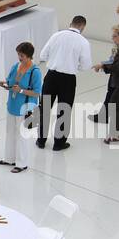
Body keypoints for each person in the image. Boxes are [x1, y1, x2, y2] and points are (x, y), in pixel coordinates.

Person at [37, 15, 92, 152]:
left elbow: (42, 56)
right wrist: (74, 65)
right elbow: (86, 65)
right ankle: (59, 143)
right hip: (68, 79)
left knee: (45, 108)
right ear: (83, 27)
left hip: (51, 76)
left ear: (70, 23)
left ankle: (41, 140)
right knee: (64, 110)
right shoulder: (83, 42)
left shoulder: (56, 35)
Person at [0, 42, 42, 173]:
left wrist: (21, 91)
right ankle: (9, 158)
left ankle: (22, 163)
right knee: (10, 132)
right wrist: (5, 84)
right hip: (12, 105)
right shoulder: (16, 66)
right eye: (18, 54)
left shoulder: (35, 72)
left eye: (21, 55)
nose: (19, 57)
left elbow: (37, 92)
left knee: (22, 136)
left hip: (25, 108)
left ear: (29, 56)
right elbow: (11, 81)